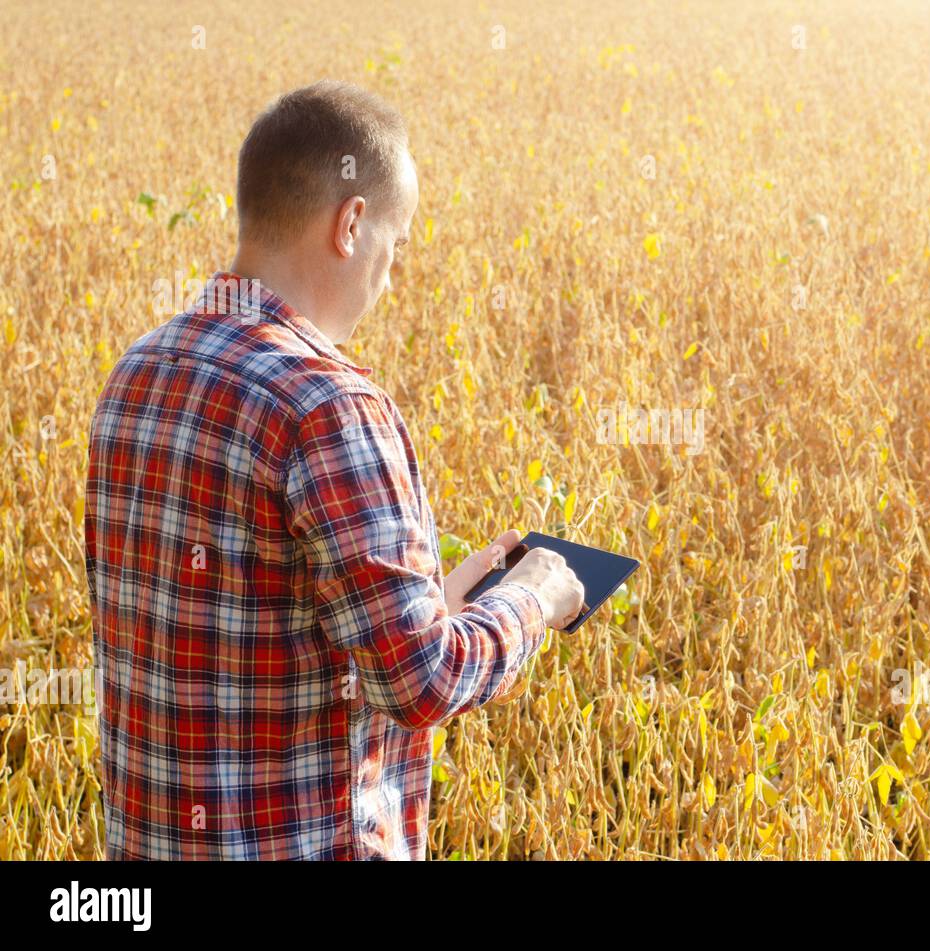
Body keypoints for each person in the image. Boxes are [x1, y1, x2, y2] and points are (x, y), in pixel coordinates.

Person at [83, 80, 584, 860]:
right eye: (398, 241)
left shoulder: (137, 373)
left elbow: (229, 626)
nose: (391, 273)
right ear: (352, 225)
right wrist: (532, 598)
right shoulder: (329, 406)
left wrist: (435, 604)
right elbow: (424, 682)